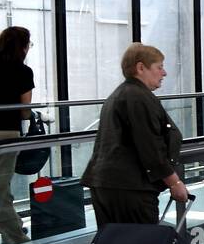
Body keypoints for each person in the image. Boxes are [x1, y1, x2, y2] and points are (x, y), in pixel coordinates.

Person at [81, 44, 189, 227]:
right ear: (140, 68)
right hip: (130, 189)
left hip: (106, 184)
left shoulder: (120, 94)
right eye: (159, 67)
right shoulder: (139, 98)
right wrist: (174, 183)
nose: (164, 73)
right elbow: (151, 147)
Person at [0, 27, 34, 244]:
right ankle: (17, 238)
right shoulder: (23, 71)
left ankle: (9, 230)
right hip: (7, 135)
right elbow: (24, 111)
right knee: (1, 188)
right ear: (22, 46)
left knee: (3, 187)